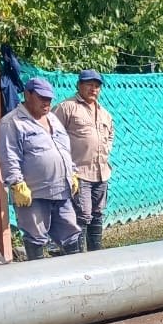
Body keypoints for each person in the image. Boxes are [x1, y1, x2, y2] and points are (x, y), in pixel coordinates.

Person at [0, 76, 81, 260]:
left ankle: (77, 274)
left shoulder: (52, 118)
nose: (46, 102)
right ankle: (37, 275)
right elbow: (9, 156)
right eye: (42, 97)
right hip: (33, 194)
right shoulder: (12, 122)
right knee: (35, 237)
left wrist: (72, 172)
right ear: (27, 95)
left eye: (49, 98)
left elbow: (64, 149)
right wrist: (17, 183)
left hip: (62, 190)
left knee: (71, 234)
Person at [54, 70, 114, 251]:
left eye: (97, 86)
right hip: (79, 173)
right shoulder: (67, 107)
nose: (93, 89)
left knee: (97, 214)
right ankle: (78, 257)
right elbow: (53, 134)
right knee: (82, 215)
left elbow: (110, 135)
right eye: (89, 85)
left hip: (101, 173)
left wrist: (105, 149)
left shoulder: (104, 113)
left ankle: (96, 254)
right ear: (79, 85)